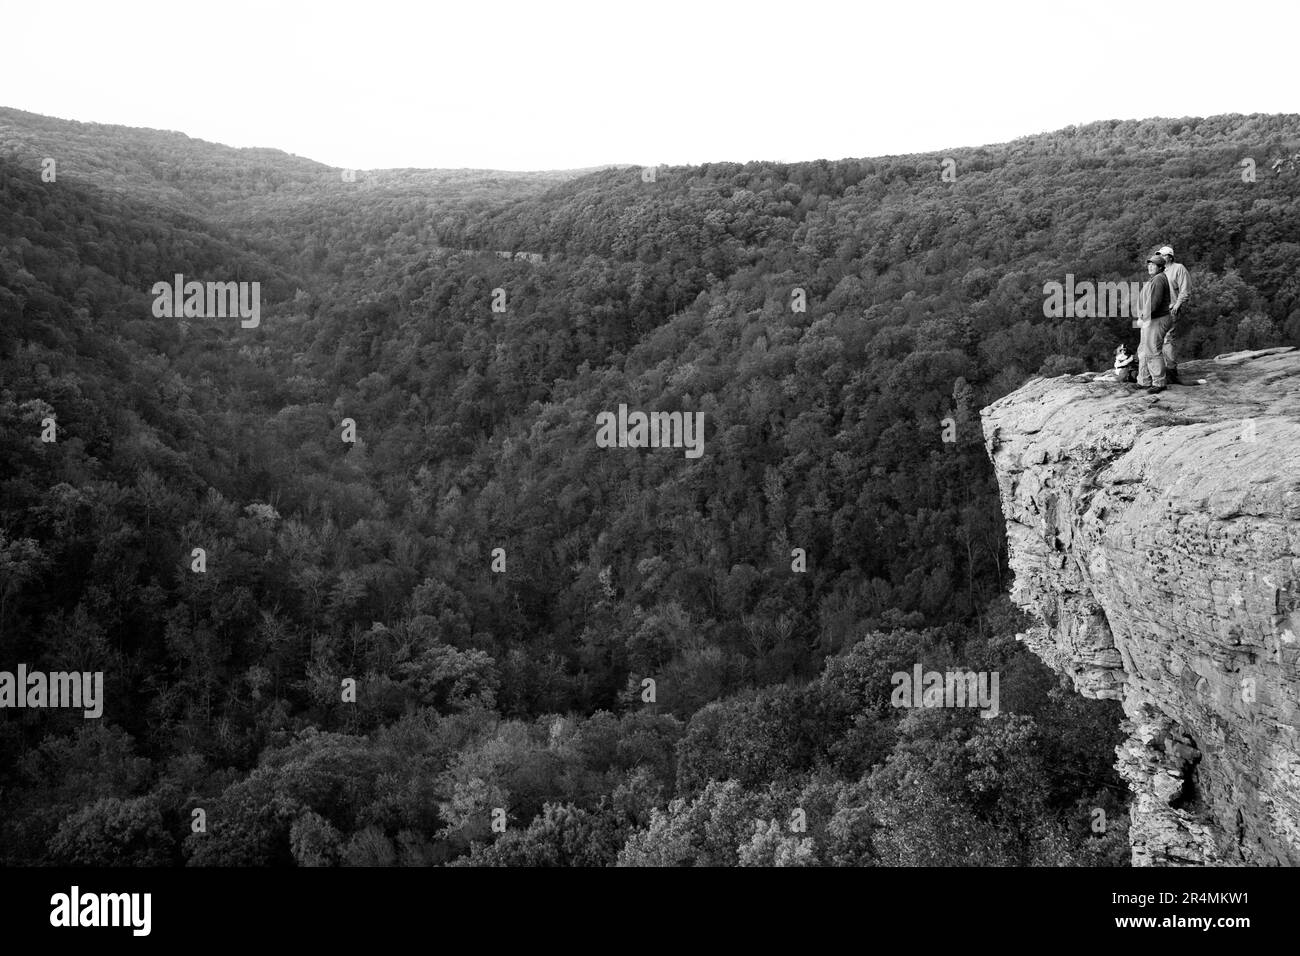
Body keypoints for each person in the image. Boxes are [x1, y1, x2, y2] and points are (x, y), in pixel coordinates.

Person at [1135, 253, 1173, 394]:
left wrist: (1143, 317)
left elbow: (1154, 303)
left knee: (1152, 350)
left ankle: (1159, 382)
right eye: (1149, 264)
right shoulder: (1156, 278)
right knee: (1143, 350)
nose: (1150, 267)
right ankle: (1143, 381)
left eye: (1153, 265)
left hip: (1157, 319)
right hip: (1152, 319)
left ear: (1160, 267)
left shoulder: (1158, 280)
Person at [1157, 244, 1191, 384]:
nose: (1160, 257)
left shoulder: (1179, 268)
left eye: (1162, 255)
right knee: (1158, 340)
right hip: (1159, 311)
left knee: (1168, 339)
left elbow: (1185, 289)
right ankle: (1162, 370)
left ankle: (1171, 372)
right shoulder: (1160, 272)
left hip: (1171, 309)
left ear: (1170, 256)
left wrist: (1177, 305)